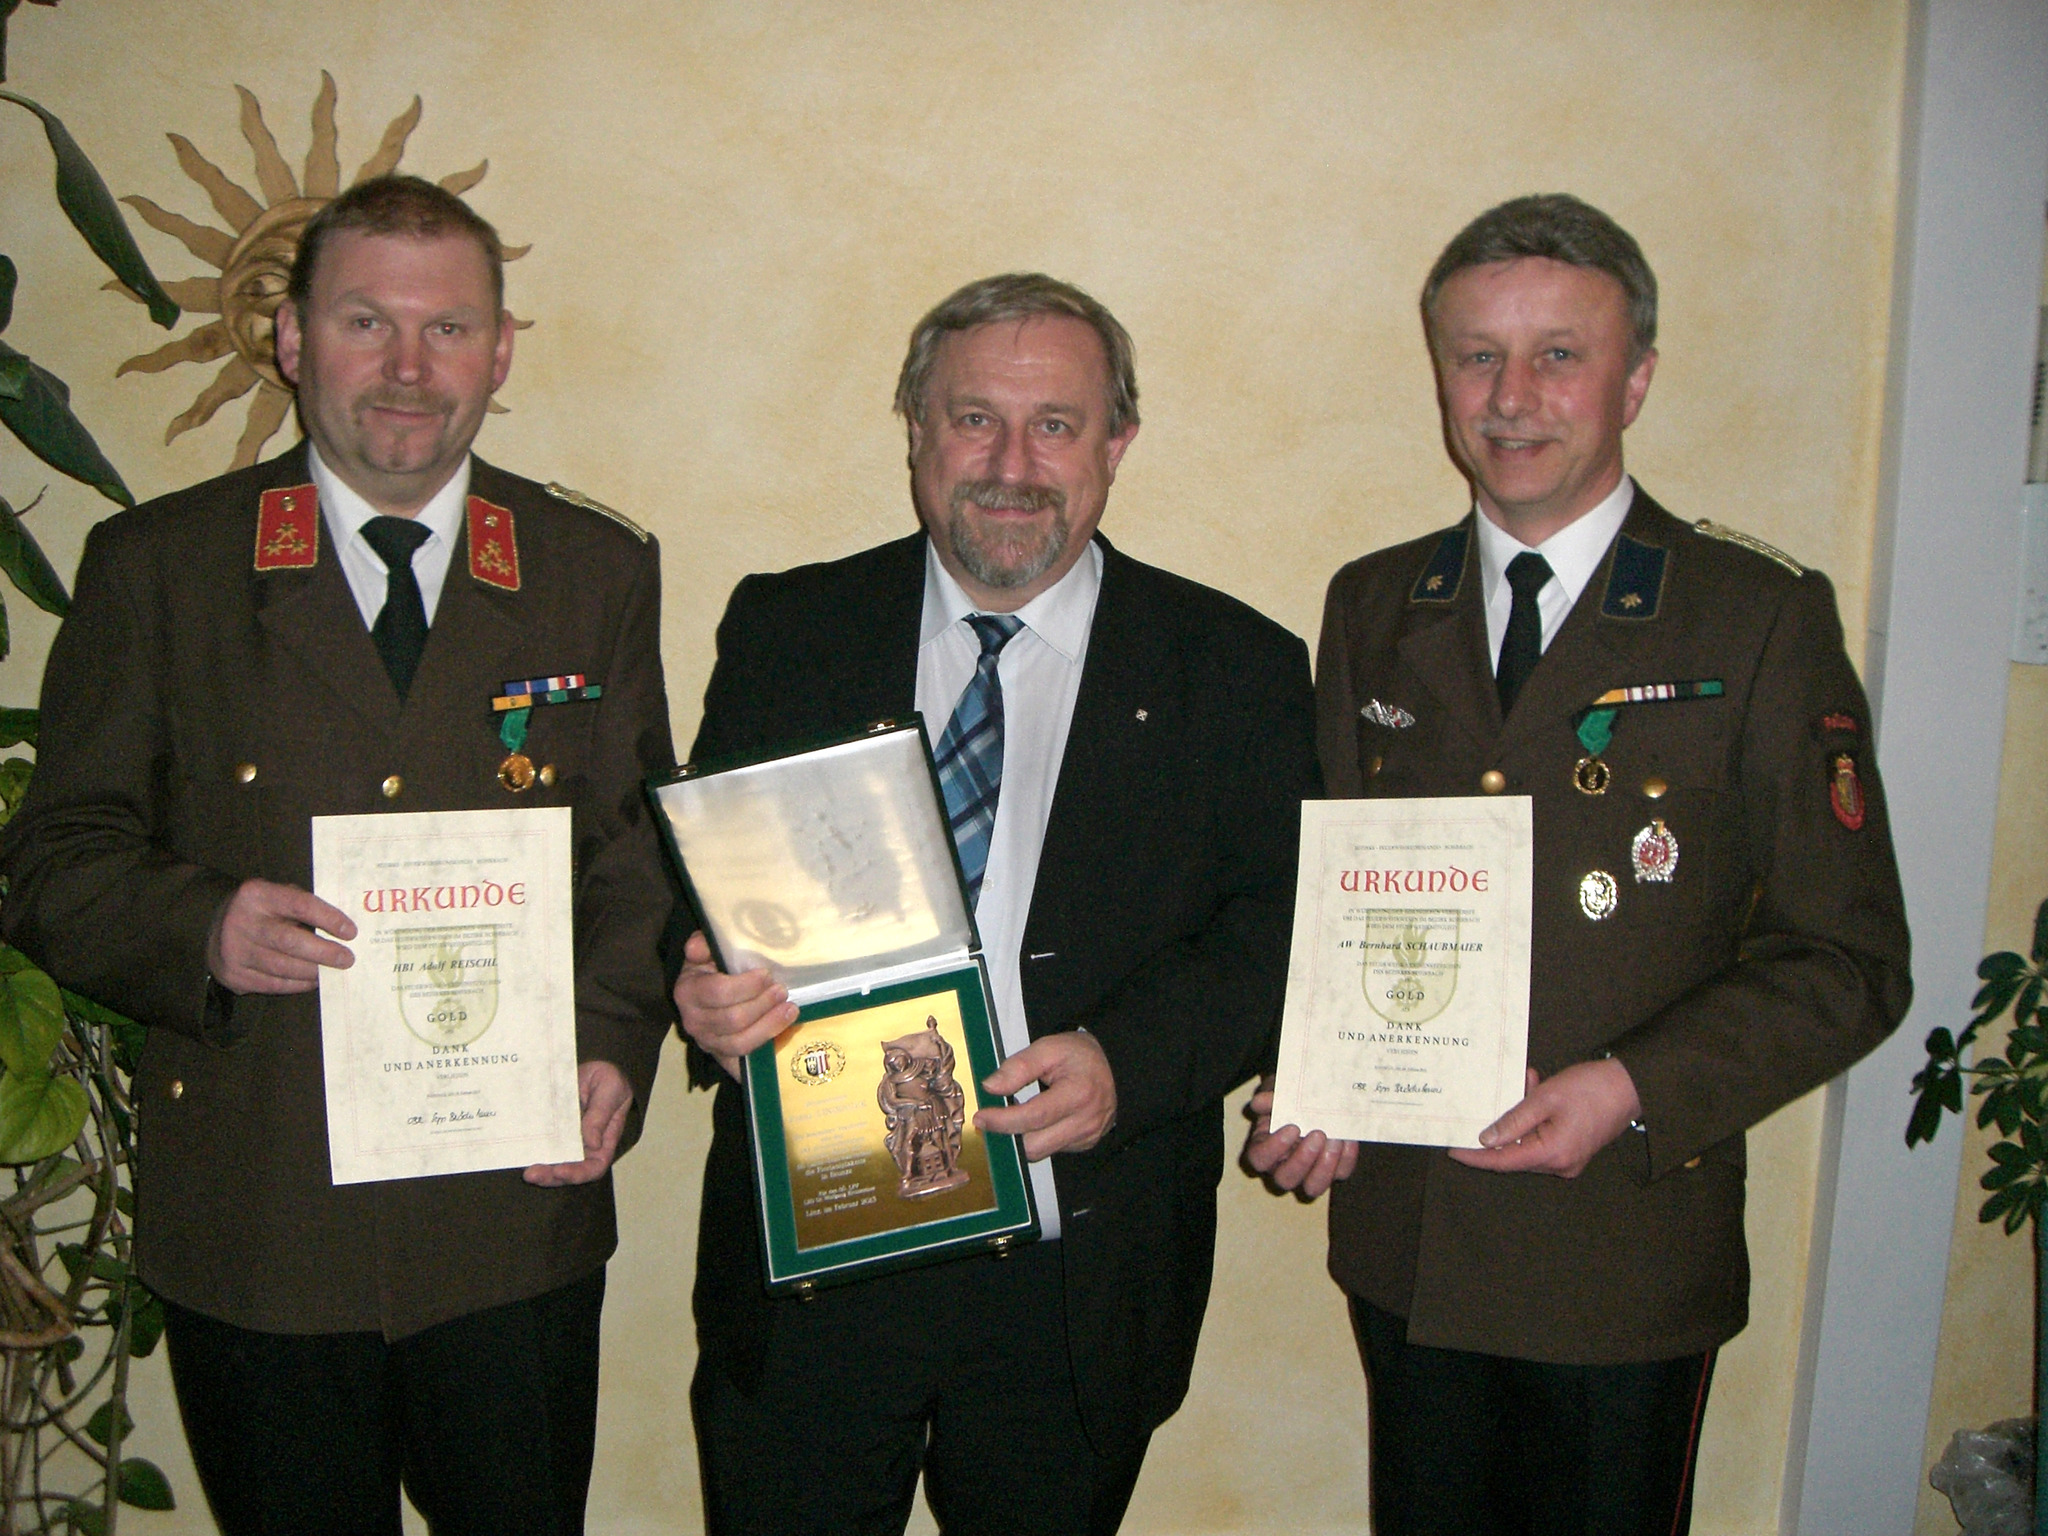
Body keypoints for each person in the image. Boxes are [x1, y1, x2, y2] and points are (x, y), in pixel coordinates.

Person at [0, 175, 675, 1536]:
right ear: (293, 338)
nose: (408, 368)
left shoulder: (589, 568)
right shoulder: (162, 568)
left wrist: (610, 1042)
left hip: (508, 1218)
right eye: (366, 322)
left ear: (500, 351)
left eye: (448, 328)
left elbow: (632, 853)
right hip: (263, 1220)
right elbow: (53, 858)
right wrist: (199, 925)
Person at [1246, 194, 1912, 1535]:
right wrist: (1317, 1075)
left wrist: (1630, 1087)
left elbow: (1847, 960)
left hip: (1621, 1253)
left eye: (1559, 354)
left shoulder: (1755, 618)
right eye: (1476, 356)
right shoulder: (1374, 605)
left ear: (1636, 380)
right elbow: (1338, 898)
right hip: (1412, 1241)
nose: (1510, 397)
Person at [675, 272, 1318, 1535]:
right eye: (973, 419)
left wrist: (1128, 1063)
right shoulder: (789, 627)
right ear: (915, 428)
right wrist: (696, 988)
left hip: (1074, 1273)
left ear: (1116, 443)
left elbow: (1276, 930)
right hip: (818, 1256)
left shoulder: (1232, 666)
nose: (1011, 465)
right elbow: (693, 882)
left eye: (1055, 425)